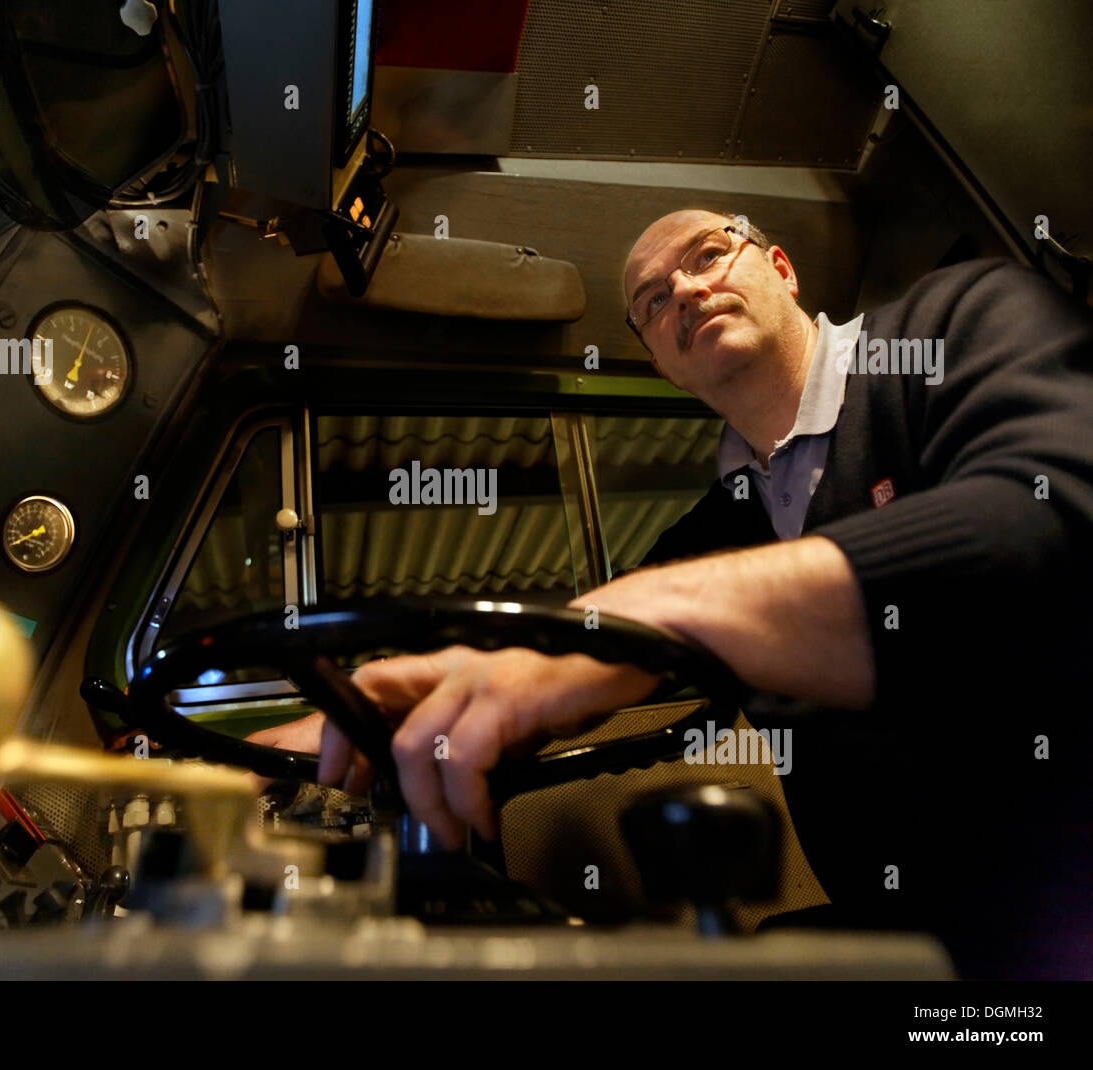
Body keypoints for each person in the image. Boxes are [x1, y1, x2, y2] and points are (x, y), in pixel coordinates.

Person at [249, 209, 1093, 978]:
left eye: (708, 255)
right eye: (652, 301)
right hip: (902, 933)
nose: (685, 290)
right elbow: (567, 641)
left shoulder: (955, 324)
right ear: (658, 359)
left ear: (783, 268)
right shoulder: (723, 520)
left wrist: (666, 613)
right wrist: (343, 714)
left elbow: (1052, 521)